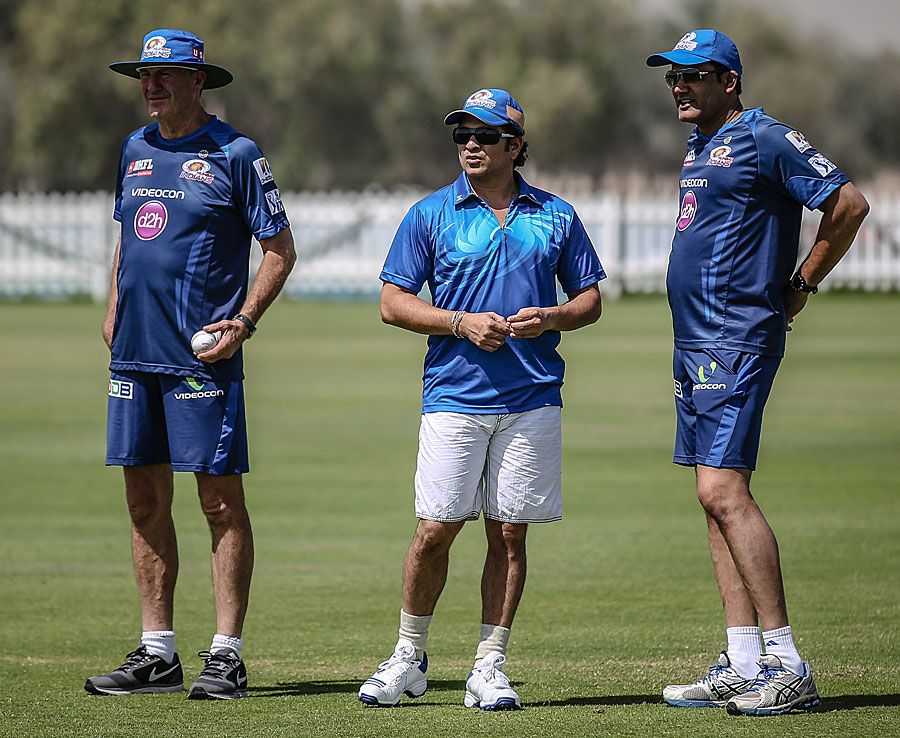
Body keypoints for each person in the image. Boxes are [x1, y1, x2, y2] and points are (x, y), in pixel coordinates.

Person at [357, 88, 605, 710]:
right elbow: (393, 302)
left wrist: (551, 317)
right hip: (454, 397)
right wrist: (460, 322)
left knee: (510, 535)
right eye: (462, 135)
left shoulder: (556, 215)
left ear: (516, 147)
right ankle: (408, 657)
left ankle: (489, 667)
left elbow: (590, 300)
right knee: (435, 530)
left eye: (486, 136)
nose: (471, 144)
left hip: (533, 397)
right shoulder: (430, 214)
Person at [646, 30, 869, 716]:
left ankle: (787, 663)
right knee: (711, 497)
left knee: (724, 491)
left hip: (736, 339)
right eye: (673, 77)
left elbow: (848, 204)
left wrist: (803, 281)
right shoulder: (701, 144)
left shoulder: (765, 137)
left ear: (730, 81)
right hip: (697, 343)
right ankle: (745, 661)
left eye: (695, 75)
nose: (680, 86)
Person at [85, 29, 296, 700]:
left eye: (166, 75)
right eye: (144, 75)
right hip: (134, 354)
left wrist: (246, 320)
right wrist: (115, 299)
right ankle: (157, 652)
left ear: (198, 81)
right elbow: (128, 232)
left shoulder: (236, 153)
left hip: (201, 360)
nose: (151, 86)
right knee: (143, 498)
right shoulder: (135, 149)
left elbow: (281, 249)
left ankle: (227, 654)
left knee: (217, 500)